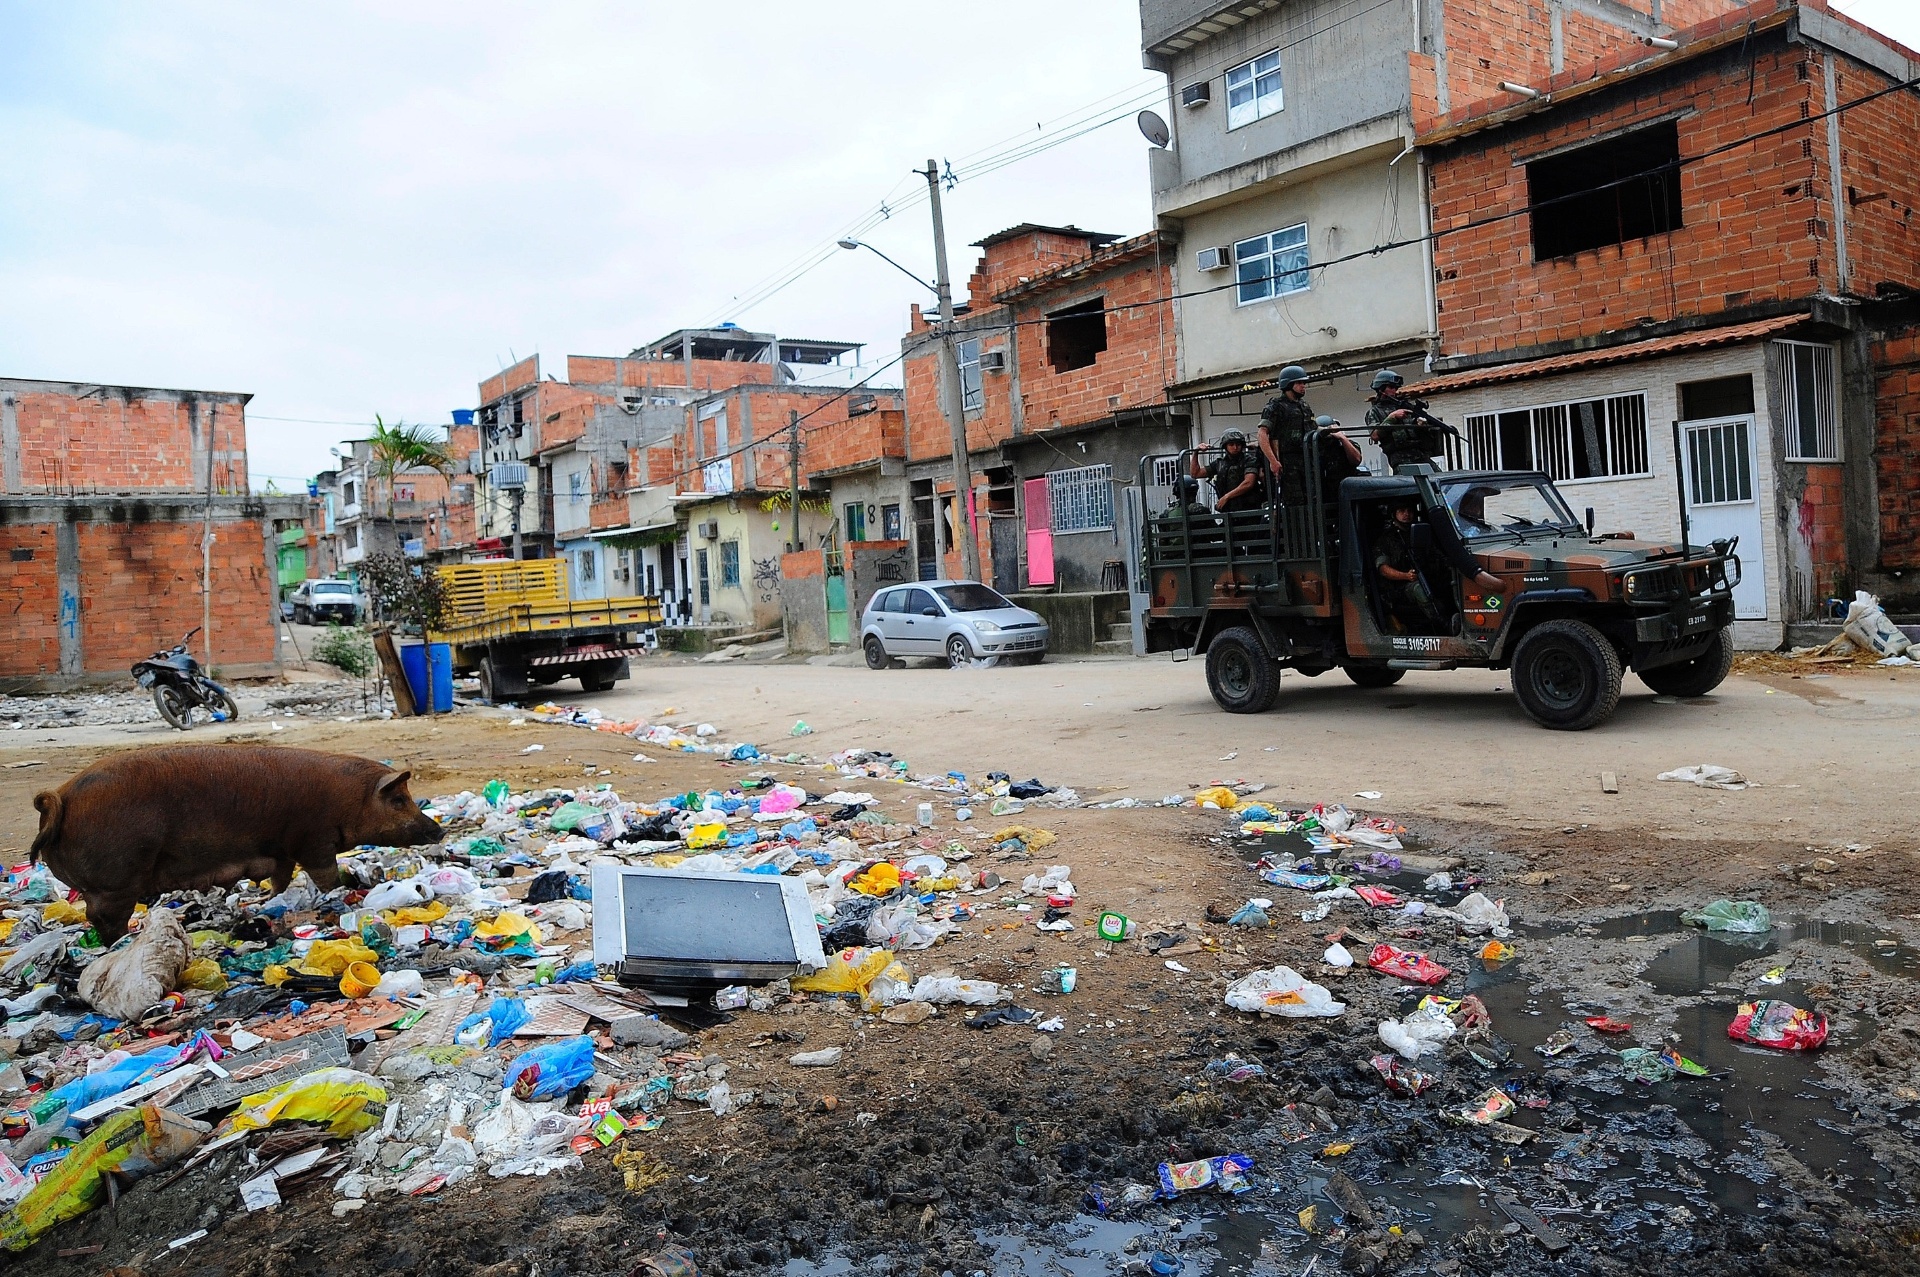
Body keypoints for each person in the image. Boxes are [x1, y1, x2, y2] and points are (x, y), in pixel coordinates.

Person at [1258, 365, 1317, 506]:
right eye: (1299, 383)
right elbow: (1262, 434)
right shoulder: (1275, 406)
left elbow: (1313, 430)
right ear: (1288, 384)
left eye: (1304, 383)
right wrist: (1273, 461)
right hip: (1286, 463)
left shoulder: (1304, 407)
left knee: (1312, 500)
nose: (1303, 386)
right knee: (1294, 504)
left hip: (1306, 462)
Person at [1365, 370, 1448, 472]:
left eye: (1395, 388)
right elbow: (1375, 435)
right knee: (1411, 485)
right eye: (1391, 387)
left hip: (1419, 454)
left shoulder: (1402, 406)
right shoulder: (1375, 411)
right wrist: (1392, 417)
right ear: (1381, 389)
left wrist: (1419, 424)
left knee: (1439, 478)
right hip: (1400, 457)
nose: (1394, 391)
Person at [1374, 499, 1435, 631]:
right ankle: (1439, 622)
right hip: (1398, 588)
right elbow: (1383, 569)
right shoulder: (1387, 539)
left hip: (1423, 576)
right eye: (1401, 511)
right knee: (1420, 589)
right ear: (1394, 514)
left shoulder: (1420, 532)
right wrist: (1406, 576)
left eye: (1409, 511)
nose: (1406, 514)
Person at [1189, 429, 1264, 512]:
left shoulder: (1249, 460)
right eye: (1231, 444)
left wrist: (1226, 497)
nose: (1235, 447)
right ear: (1225, 446)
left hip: (1249, 511)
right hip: (1229, 511)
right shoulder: (1220, 463)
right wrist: (1196, 452)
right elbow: (1195, 473)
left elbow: (1248, 483)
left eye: (1238, 444)